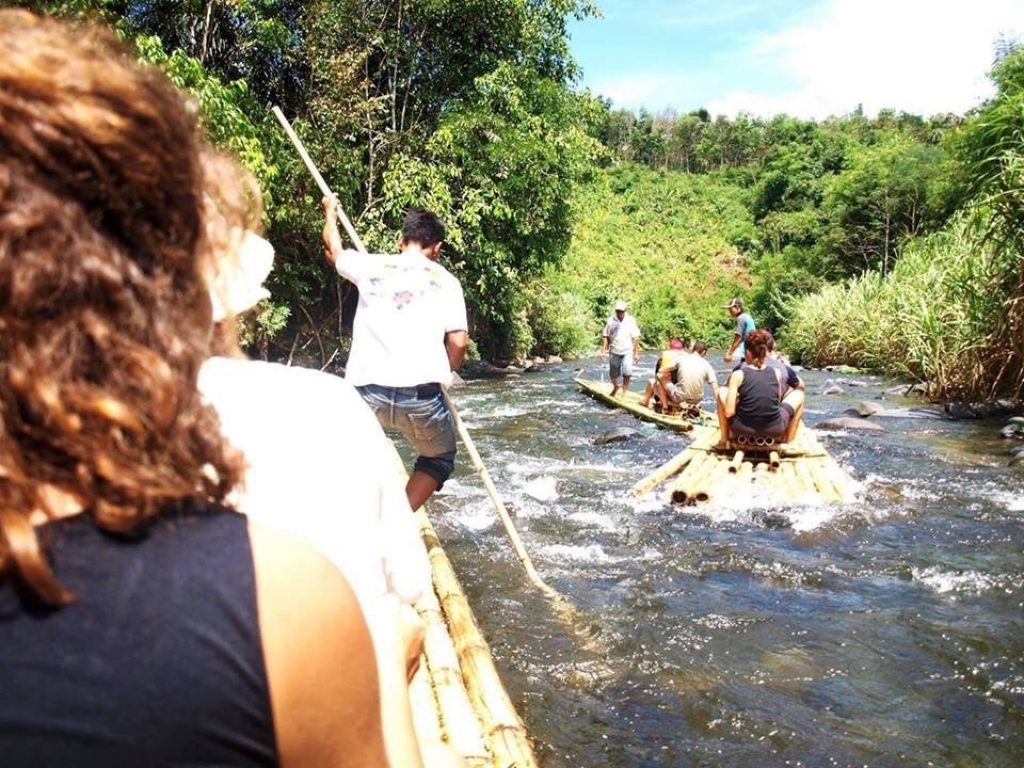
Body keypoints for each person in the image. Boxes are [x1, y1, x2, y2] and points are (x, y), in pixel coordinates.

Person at [0, 11, 417, 766]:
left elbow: (336, 254)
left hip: (379, 386)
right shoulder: (280, 599)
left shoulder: (376, 278)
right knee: (431, 477)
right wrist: (386, 655)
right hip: (395, 402)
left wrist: (329, 218)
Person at [322, 200, 469, 512]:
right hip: (420, 398)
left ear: (401, 242)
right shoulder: (447, 282)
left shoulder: (370, 265)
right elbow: (458, 340)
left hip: (365, 393)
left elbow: (334, 249)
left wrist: (330, 213)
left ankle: (343, 515)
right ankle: (398, 520)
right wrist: (448, 373)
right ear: (437, 248)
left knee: (345, 453)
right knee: (438, 459)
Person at [716, 329, 805, 450]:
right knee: (799, 394)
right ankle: (789, 443)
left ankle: (724, 440)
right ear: (766, 351)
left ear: (747, 353)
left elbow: (729, 412)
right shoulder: (777, 372)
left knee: (721, 391)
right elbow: (776, 401)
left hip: (741, 430)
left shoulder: (738, 373)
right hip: (774, 430)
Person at [649, 340, 719, 415]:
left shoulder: (682, 358)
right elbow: (715, 388)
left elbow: (662, 370)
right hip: (696, 400)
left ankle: (665, 407)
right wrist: (719, 407)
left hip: (679, 397)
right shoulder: (707, 365)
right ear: (704, 352)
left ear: (693, 349)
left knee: (660, 375)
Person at [600, 300, 641, 397]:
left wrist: (636, 353)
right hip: (614, 350)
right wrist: (603, 351)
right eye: (618, 311)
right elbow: (606, 336)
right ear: (615, 311)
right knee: (613, 374)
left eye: (621, 311)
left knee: (627, 372)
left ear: (625, 311)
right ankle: (616, 386)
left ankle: (624, 392)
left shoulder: (630, 320)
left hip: (627, 350)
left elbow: (635, 337)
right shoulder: (610, 321)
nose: (619, 313)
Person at [640, 338, 685, 409]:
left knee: (652, 382)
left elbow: (657, 376)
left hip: (668, 394)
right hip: (682, 394)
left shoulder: (662, 361)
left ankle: (646, 401)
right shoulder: (685, 362)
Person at [723, 297, 756, 363]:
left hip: (746, 351)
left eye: (730, 309)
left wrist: (729, 353)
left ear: (737, 307)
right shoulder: (747, 316)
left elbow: (738, 338)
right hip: (752, 349)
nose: (729, 311)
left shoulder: (741, 318)